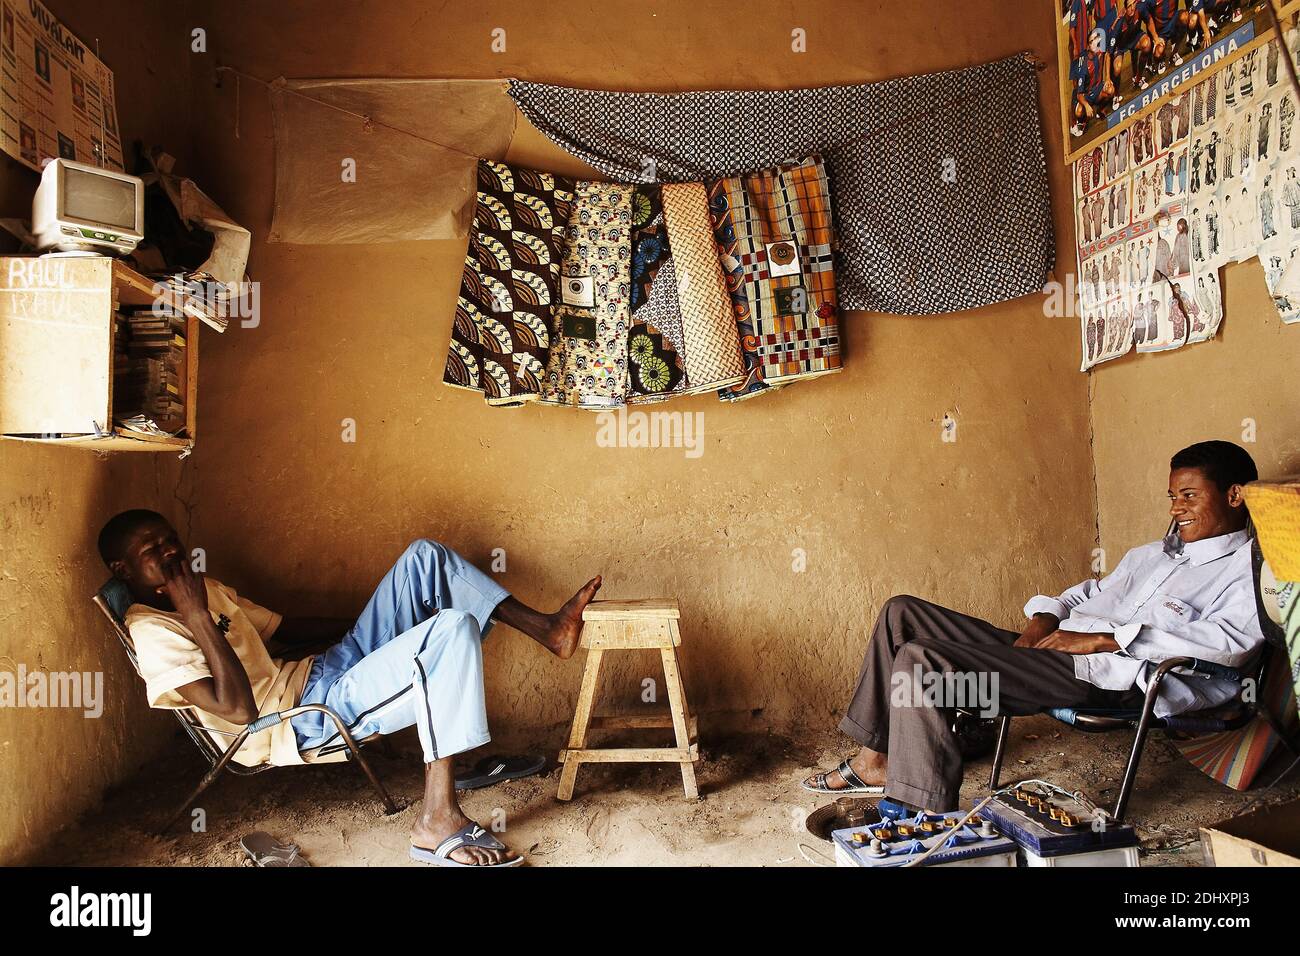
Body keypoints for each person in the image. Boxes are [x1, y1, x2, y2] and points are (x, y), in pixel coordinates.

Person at [98, 511, 603, 868]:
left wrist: (376, 624)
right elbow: (239, 711)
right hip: (296, 720)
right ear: (123, 570)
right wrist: (195, 615)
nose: (171, 553)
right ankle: (436, 818)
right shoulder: (154, 632)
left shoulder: (205, 588)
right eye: (152, 551)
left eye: (170, 540)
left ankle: (547, 630)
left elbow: (284, 629)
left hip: (320, 671)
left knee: (424, 557)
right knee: (450, 631)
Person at [801, 441, 1265, 813]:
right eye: (1172, 497)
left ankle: (919, 809)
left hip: (1111, 677)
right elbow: (1085, 594)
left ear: (1234, 495)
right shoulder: (1152, 555)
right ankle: (876, 759)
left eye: (1189, 496)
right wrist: (1041, 621)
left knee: (923, 663)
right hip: (1054, 651)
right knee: (901, 613)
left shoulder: (1248, 571)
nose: (1176, 509)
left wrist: (1103, 640)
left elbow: (1230, 645)